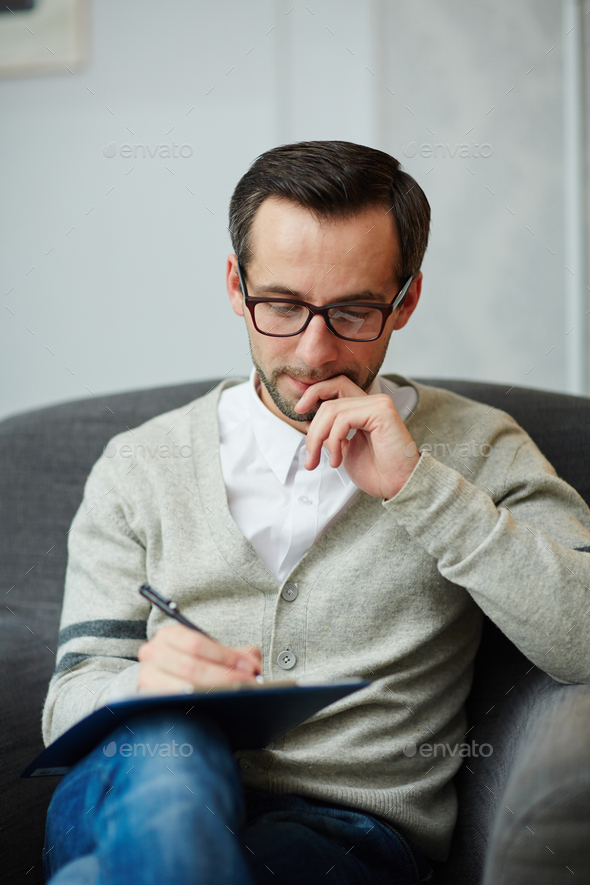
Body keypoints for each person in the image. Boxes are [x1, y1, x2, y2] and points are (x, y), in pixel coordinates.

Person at [42, 141, 590, 885]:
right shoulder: (139, 464)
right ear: (236, 285)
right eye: (282, 305)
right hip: (136, 785)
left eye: (355, 311)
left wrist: (418, 487)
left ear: (407, 299)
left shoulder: (480, 446)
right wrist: (140, 686)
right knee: (174, 752)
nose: (314, 348)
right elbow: (67, 701)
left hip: (349, 835)